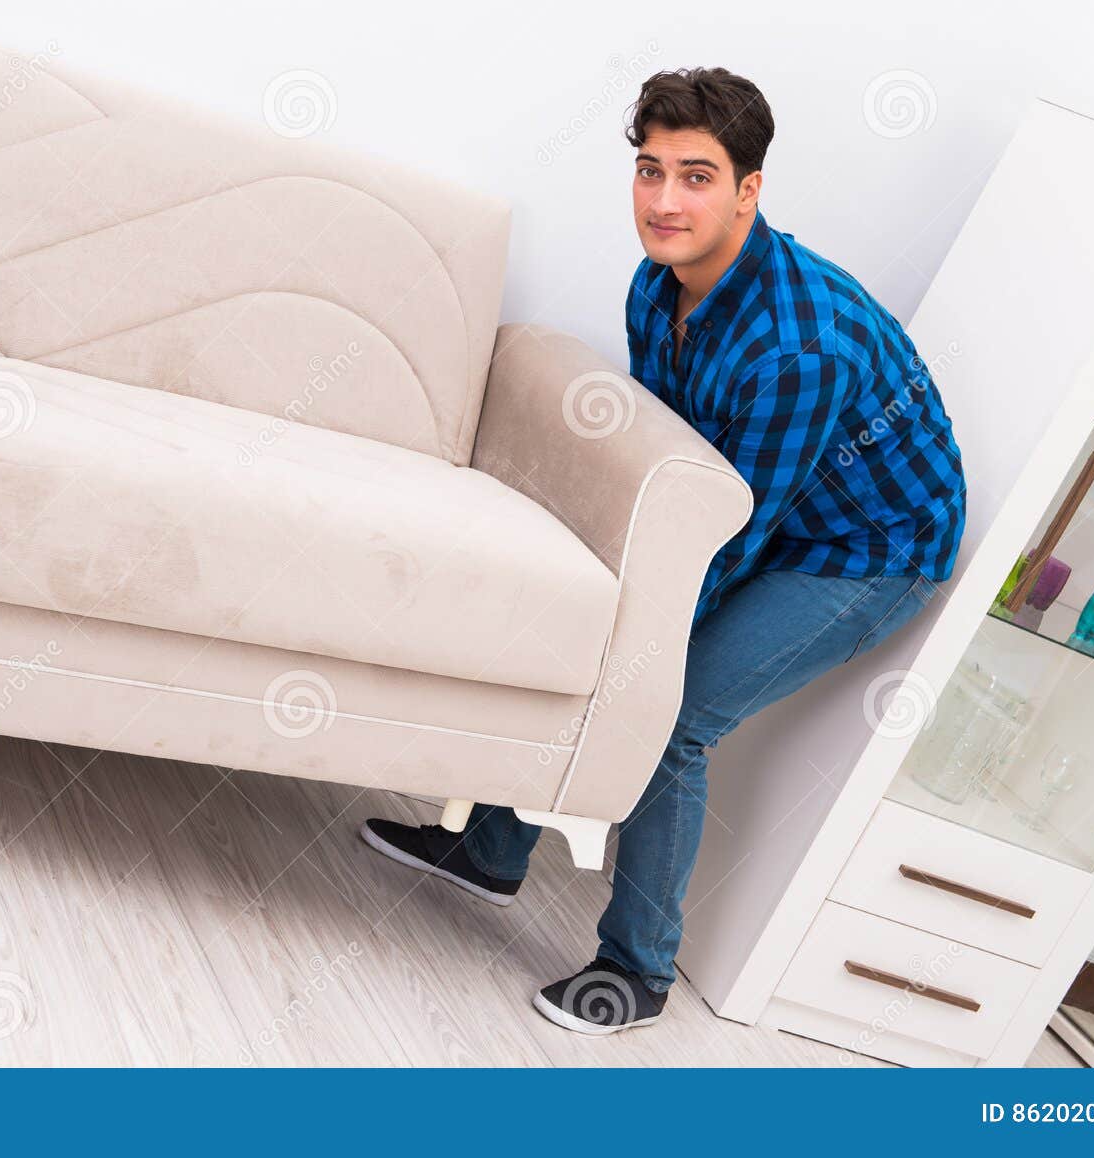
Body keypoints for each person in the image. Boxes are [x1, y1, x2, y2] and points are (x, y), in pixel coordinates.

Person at [360, 67, 967, 1035]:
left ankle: (635, 973)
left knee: (667, 707)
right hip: (765, 508)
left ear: (748, 191)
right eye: (649, 171)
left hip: (863, 552)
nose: (664, 200)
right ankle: (492, 852)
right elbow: (676, 466)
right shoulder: (658, 282)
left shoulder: (794, 352)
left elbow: (736, 532)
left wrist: (627, 636)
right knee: (607, 649)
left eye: (695, 175)